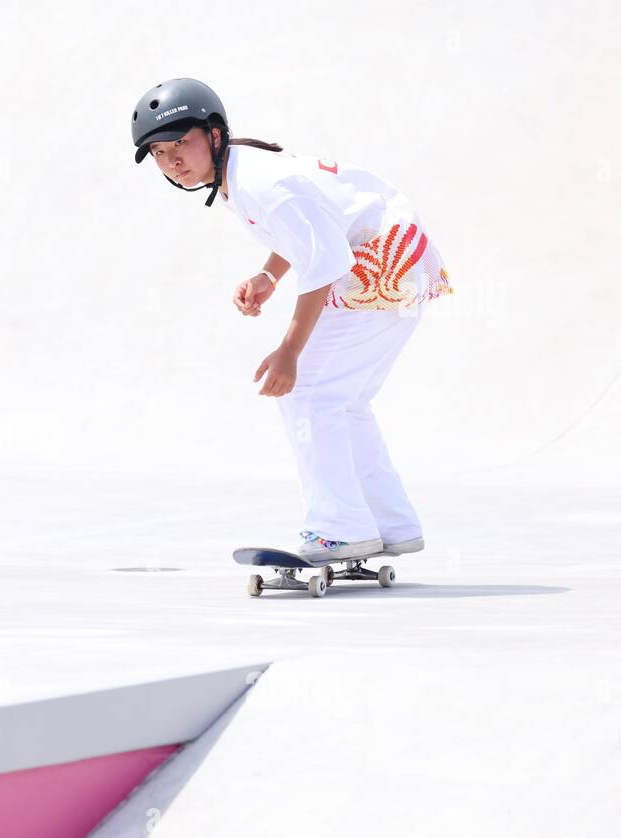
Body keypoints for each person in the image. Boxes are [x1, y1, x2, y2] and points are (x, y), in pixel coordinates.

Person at [131, 78, 453, 562]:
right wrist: (269, 275)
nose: (173, 159)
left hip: (384, 259)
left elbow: (324, 263)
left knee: (307, 391)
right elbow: (310, 230)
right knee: (343, 401)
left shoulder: (260, 183)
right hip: (399, 256)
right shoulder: (243, 175)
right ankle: (389, 521)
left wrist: (290, 352)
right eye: (158, 152)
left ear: (214, 135)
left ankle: (340, 528)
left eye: (182, 142)